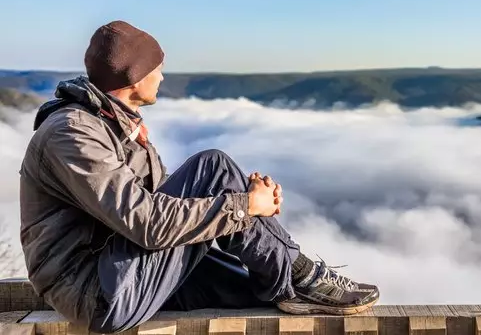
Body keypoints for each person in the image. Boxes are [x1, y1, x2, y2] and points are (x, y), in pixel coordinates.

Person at [19, 20, 379, 333]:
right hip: (98, 291)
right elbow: (147, 222)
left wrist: (251, 203)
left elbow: (162, 199)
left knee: (253, 289)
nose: (161, 76)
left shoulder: (113, 125)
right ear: (133, 75)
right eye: (156, 68)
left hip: (120, 270)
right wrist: (244, 204)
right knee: (213, 167)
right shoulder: (72, 133)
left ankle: (293, 280)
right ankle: (301, 275)